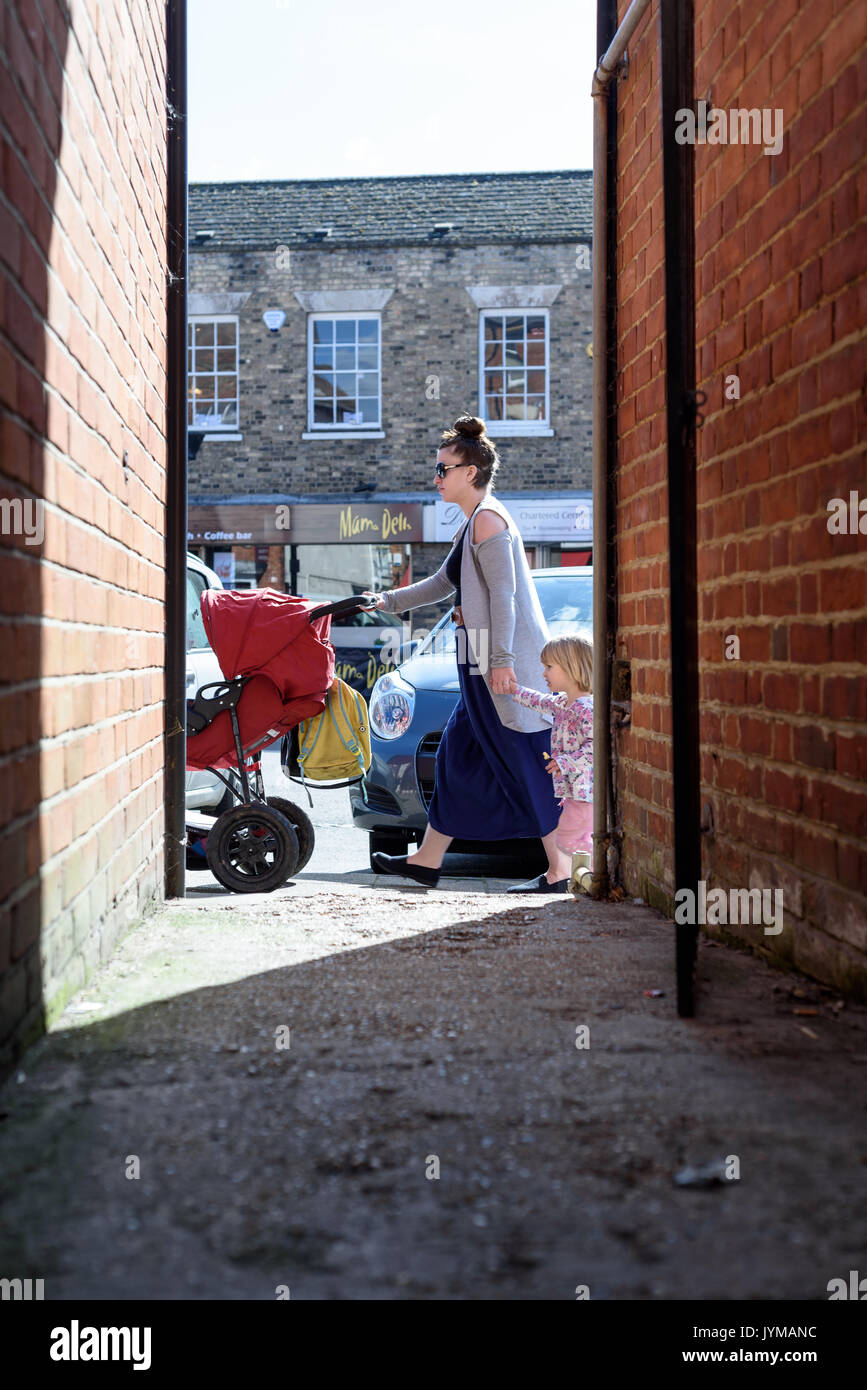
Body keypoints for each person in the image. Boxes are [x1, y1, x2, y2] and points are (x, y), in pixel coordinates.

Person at [362, 413, 572, 893]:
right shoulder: (471, 524)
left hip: (501, 668)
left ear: (470, 473)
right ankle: (428, 860)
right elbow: (443, 584)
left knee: (527, 759)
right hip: (477, 665)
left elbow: (506, 595)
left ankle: (561, 868)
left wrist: (500, 662)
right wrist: (387, 601)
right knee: (457, 756)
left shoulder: (489, 520)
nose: (436, 478)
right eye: (436, 469)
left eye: (443, 469)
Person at [506, 635, 594, 870]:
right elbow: (539, 701)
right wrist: (514, 690)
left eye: (549, 667)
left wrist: (565, 762)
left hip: (585, 793)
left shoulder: (585, 709)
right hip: (573, 792)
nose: (544, 673)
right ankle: (589, 875)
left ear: (570, 668)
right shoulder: (564, 703)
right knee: (569, 838)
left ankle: (596, 871)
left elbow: (595, 750)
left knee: (569, 838)